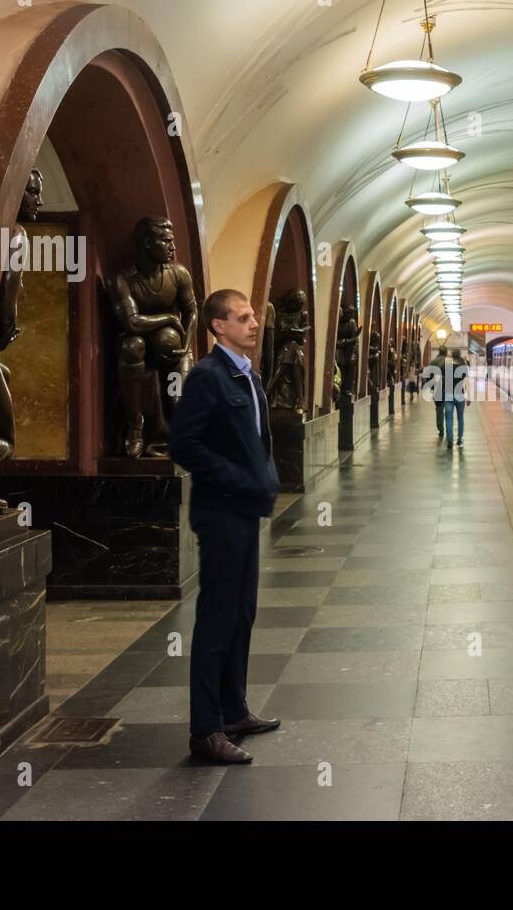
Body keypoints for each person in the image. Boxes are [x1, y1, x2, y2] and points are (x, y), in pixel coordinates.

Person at [169, 288, 282, 764]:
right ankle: (205, 730)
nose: (254, 323)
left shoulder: (247, 376)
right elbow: (184, 445)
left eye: (253, 316)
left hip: (246, 511)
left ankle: (234, 710)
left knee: (242, 614)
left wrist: (263, 479)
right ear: (219, 327)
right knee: (216, 621)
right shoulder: (208, 378)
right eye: (242, 317)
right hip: (220, 514)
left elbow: (257, 439)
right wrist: (238, 478)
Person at [445, 349, 470, 450]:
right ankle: (459, 439)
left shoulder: (447, 367)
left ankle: (450, 439)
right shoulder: (463, 367)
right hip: (460, 395)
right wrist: (469, 397)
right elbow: (467, 382)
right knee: (460, 417)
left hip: (448, 395)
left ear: (452, 356)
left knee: (449, 418)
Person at [428, 346, 448, 438]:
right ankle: (449, 428)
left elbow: (429, 377)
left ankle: (441, 429)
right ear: (446, 352)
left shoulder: (433, 362)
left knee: (439, 409)